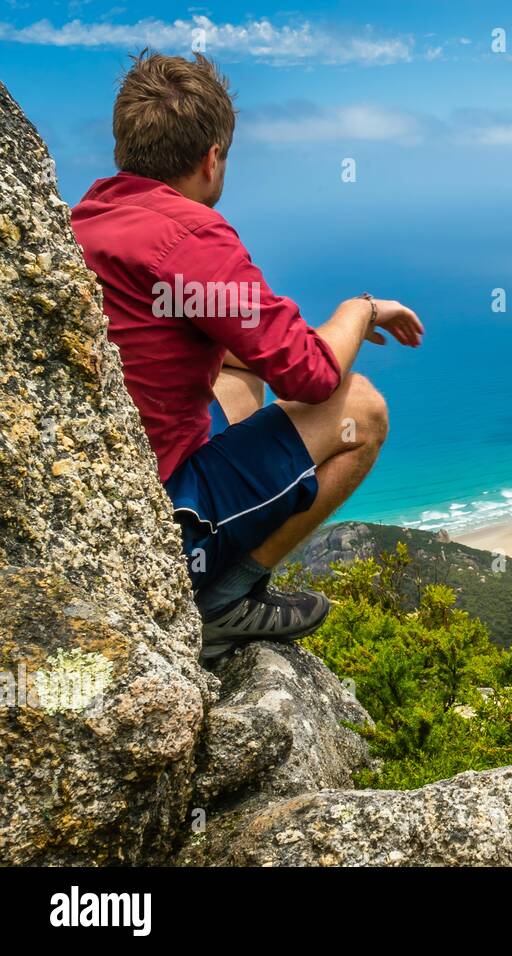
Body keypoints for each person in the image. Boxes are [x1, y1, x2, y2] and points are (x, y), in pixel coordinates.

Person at [71, 50, 423, 658]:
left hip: (101, 482)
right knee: (360, 409)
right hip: (155, 506)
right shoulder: (192, 235)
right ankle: (223, 601)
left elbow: (263, 354)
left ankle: (218, 567)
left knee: (238, 368)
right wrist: (358, 310)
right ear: (212, 160)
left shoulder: (90, 215)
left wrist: (280, 349)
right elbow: (311, 376)